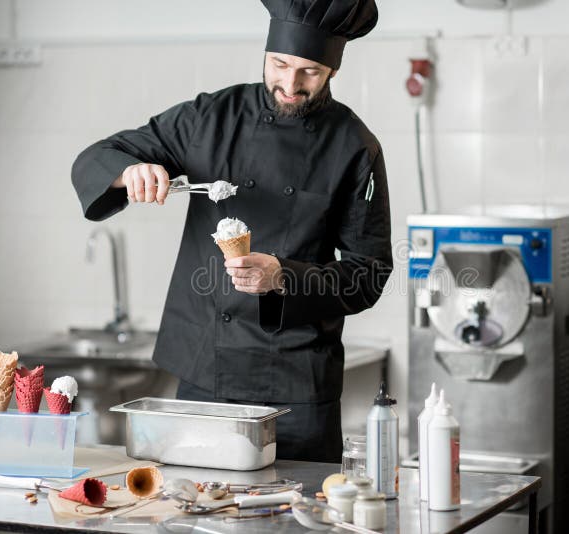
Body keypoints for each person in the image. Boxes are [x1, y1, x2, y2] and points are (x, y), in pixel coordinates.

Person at [71, 0, 391, 463]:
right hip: (207, 373)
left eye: (310, 72)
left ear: (333, 70)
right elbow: (98, 155)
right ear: (266, 52)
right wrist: (130, 171)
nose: (290, 84)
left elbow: (370, 273)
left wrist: (283, 276)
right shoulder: (210, 119)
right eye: (280, 64)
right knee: (196, 511)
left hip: (297, 387)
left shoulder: (354, 147)